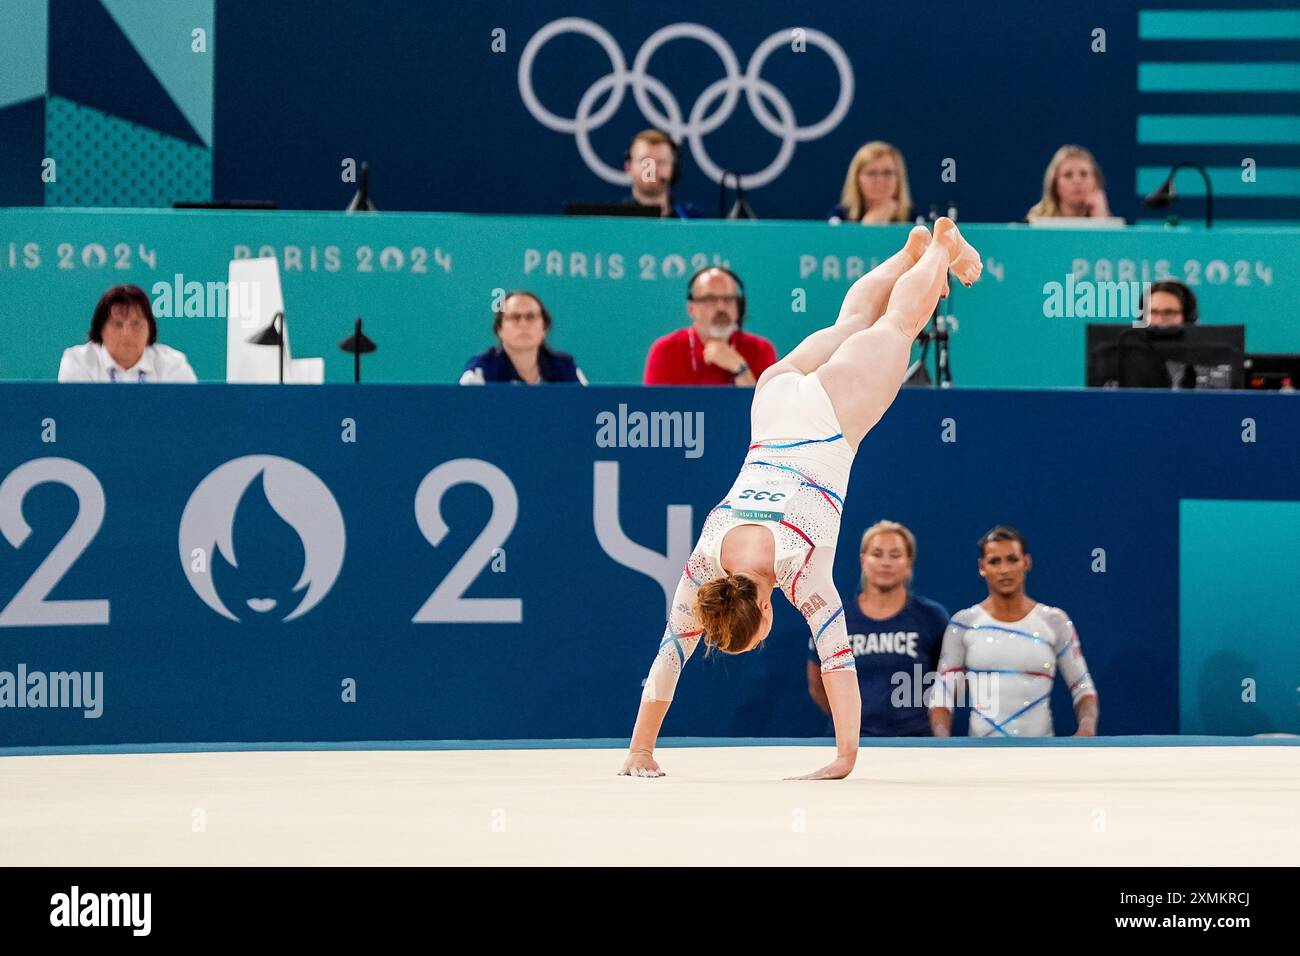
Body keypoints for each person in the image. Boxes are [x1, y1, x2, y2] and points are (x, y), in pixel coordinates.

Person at [620, 217, 982, 780]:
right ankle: (908, 252)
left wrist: (844, 759)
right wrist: (639, 751)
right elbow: (668, 655)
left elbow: (839, 664)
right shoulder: (702, 567)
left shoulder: (801, 571)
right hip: (771, 401)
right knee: (854, 320)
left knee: (898, 325)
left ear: (764, 610)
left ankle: (941, 245)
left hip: (833, 419)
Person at [929, 526, 1099, 738]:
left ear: (1026, 562)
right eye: (994, 561)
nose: (1004, 570)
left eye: (1012, 559)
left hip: (1041, 757)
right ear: (982, 567)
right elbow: (942, 694)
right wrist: (942, 741)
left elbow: (1083, 687)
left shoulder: (1055, 621)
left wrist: (1086, 731)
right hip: (981, 759)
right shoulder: (963, 624)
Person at [805, 520, 949, 737]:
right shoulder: (836, 617)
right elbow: (817, 684)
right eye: (877, 554)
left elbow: (947, 682)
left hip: (915, 743)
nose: (886, 563)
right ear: (863, 560)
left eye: (895, 555)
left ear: (909, 562)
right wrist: (851, 725)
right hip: (851, 742)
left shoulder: (931, 616)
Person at [642, 267, 776, 387]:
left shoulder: (761, 349)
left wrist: (740, 369)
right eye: (710, 300)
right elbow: (654, 411)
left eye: (729, 299)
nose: (721, 307)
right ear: (691, 308)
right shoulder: (665, 350)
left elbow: (770, 412)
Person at [58, 284, 196, 382]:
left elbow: (186, 415)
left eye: (136, 324)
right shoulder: (78, 361)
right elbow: (78, 415)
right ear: (100, 329)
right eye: (117, 324)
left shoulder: (172, 363)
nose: (127, 333)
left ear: (150, 328)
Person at [460, 290, 586, 384]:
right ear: (499, 329)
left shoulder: (565, 367)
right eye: (515, 317)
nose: (523, 324)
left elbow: (586, 409)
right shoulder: (480, 370)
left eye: (531, 316)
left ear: (544, 328)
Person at [621, 129, 703, 219]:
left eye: (661, 162)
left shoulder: (692, 220)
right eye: (645, 162)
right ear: (628, 167)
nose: (652, 169)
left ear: (674, 168)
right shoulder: (614, 219)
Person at [829, 141, 914, 225]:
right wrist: (868, 225)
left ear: (899, 177)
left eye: (887, 172)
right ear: (856, 178)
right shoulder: (839, 217)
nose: (880, 180)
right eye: (871, 173)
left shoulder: (912, 218)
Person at [1026, 145, 1112, 220]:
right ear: (1055, 183)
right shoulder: (1035, 224)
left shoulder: (1114, 229)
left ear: (1096, 181)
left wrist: (1101, 219)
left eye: (1084, 174)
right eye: (1068, 175)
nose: (1077, 181)